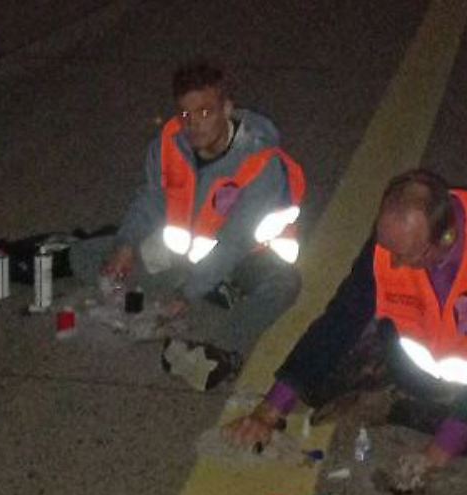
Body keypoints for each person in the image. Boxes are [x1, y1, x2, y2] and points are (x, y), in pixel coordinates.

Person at [224, 169, 467, 492]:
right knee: (320, 375)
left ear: (445, 236)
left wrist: (435, 455)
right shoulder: (392, 240)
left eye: (410, 256)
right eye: (390, 251)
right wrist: (269, 410)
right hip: (423, 369)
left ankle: (402, 408)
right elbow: (341, 317)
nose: (397, 264)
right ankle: (401, 400)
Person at [66, 60, 307, 391]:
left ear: (227, 109)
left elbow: (235, 244)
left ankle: (223, 345)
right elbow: (151, 199)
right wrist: (125, 245)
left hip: (246, 259)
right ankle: (199, 290)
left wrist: (187, 292)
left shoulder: (260, 162)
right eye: (184, 115)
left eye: (205, 113)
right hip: (189, 252)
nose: (193, 125)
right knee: (84, 254)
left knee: (284, 284)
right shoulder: (168, 143)